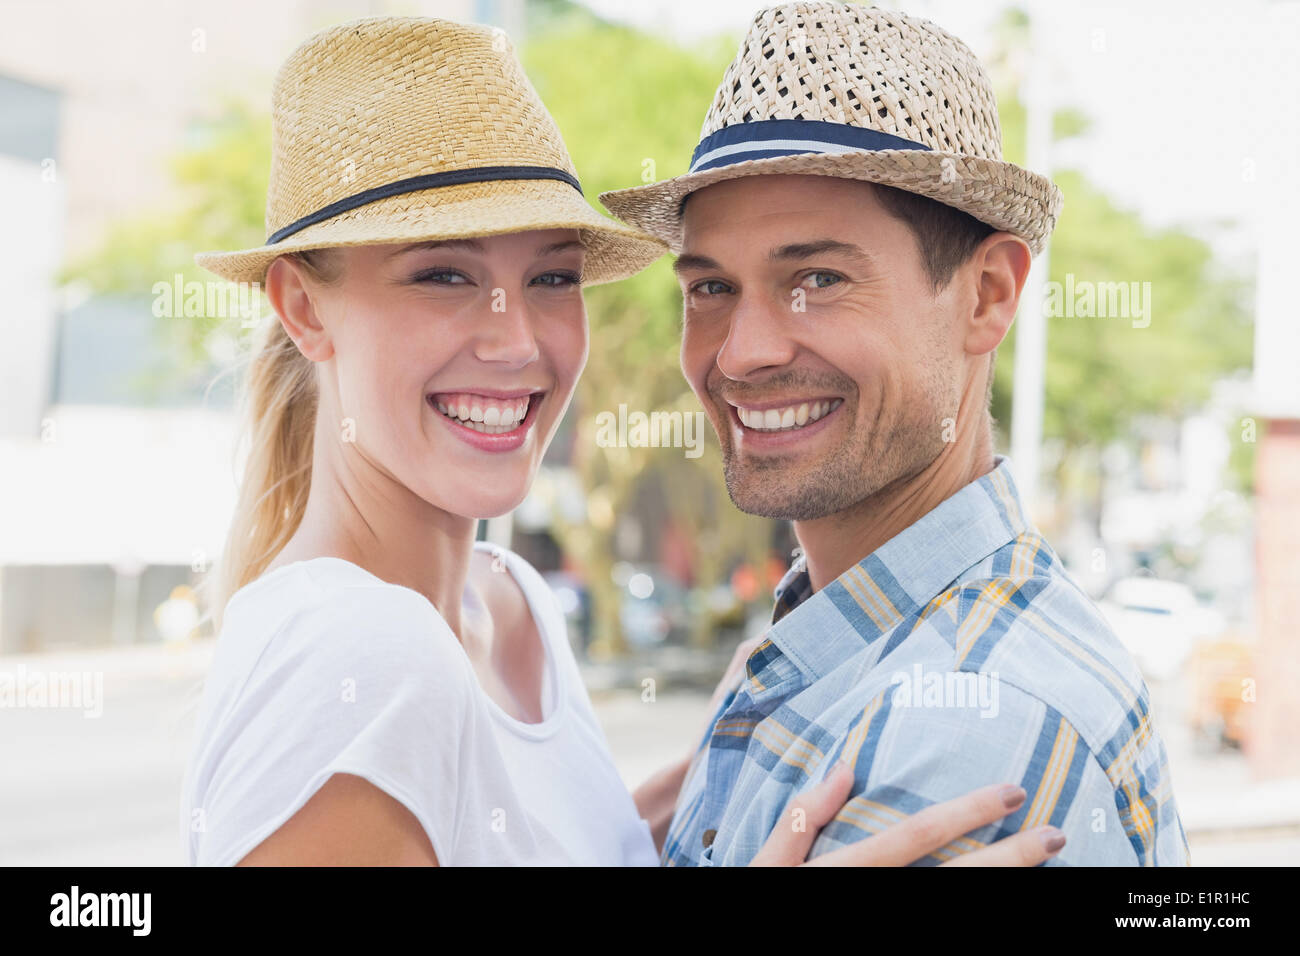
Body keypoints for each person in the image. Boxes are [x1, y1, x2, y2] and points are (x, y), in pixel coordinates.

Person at [179, 14, 1064, 867]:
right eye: (443, 275)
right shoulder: (364, 653)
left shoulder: (511, 605)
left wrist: (734, 771)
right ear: (302, 308)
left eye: (552, 277)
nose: (517, 341)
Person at [600, 1, 1190, 866]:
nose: (745, 353)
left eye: (820, 277)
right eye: (711, 289)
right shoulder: (833, 641)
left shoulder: (960, 721)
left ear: (987, 295)